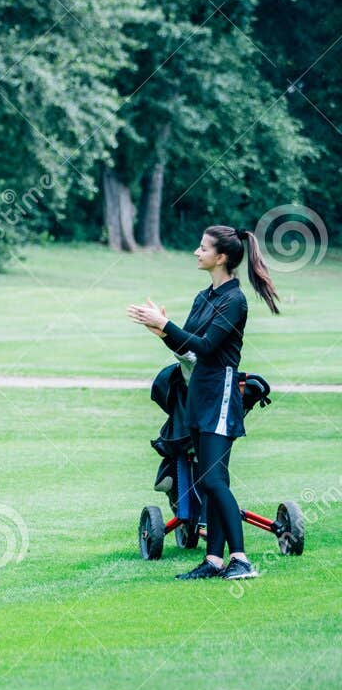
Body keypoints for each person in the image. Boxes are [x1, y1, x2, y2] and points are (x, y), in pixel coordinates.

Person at [128, 225, 280, 581]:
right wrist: (163, 331)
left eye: (203, 248)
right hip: (197, 394)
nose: (197, 252)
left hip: (221, 394)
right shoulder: (204, 297)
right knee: (207, 479)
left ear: (221, 257)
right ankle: (214, 561)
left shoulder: (234, 300)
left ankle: (240, 560)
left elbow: (208, 347)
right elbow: (187, 347)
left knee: (213, 481)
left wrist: (167, 324)